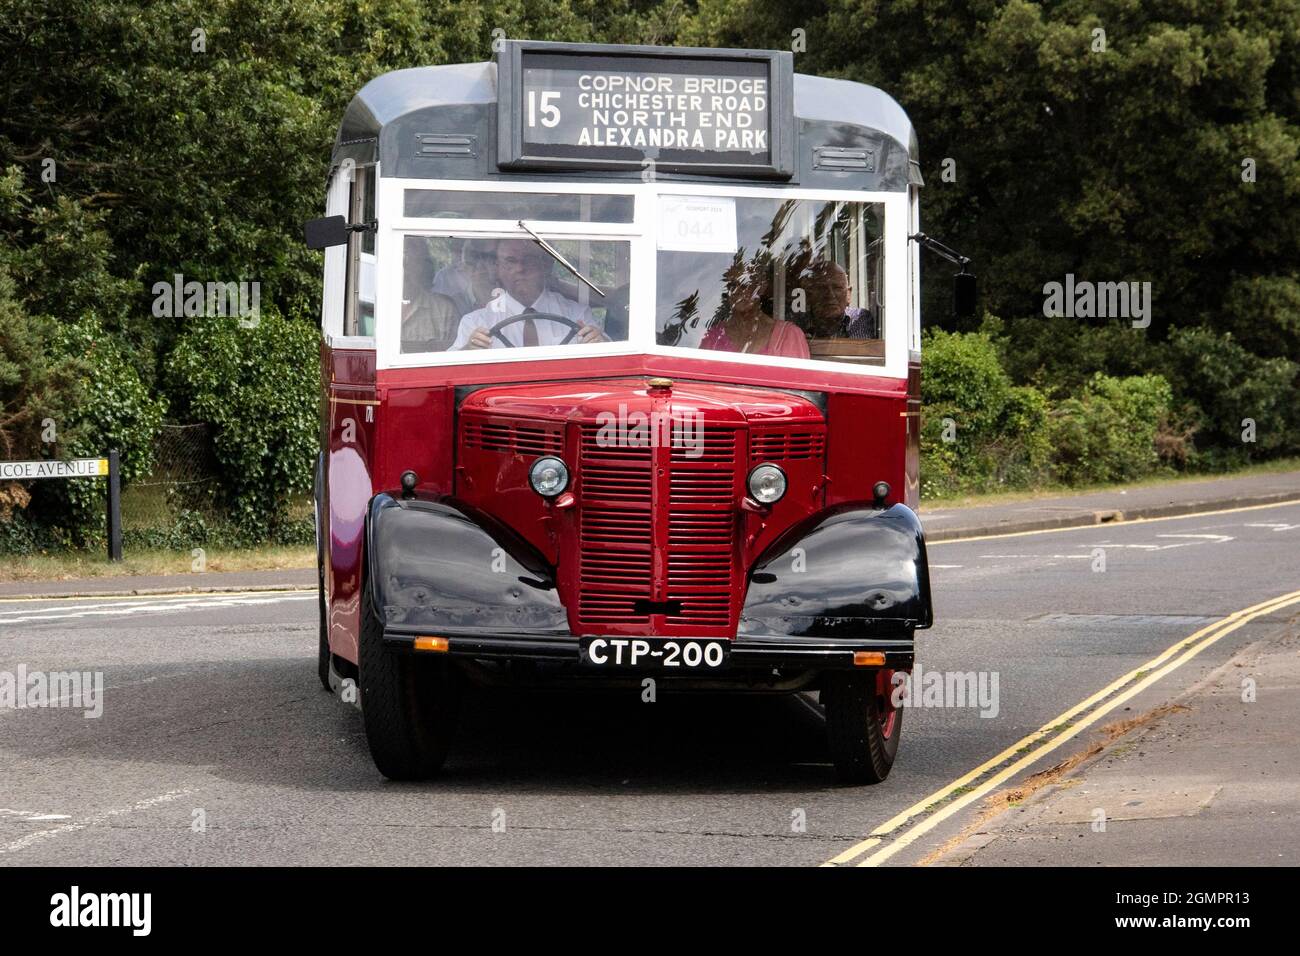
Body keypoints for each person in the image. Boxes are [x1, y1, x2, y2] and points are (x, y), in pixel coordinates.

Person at [450, 239, 608, 350]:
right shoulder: (476, 322)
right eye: (510, 261)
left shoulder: (577, 314)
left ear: (546, 265)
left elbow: (607, 359)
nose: (520, 268)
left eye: (529, 259)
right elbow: (450, 371)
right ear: (498, 268)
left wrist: (600, 342)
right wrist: (469, 349)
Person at [700, 260, 810, 358]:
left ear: (761, 288)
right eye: (732, 286)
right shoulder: (715, 336)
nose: (737, 291)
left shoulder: (789, 336)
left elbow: (798, 379)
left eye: (744, 284)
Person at [432, 239, 499, 316]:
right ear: (463, 266)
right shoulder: (454, 306)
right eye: (473, 259)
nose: (480, 266)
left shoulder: (510, 298)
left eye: (488, 258)